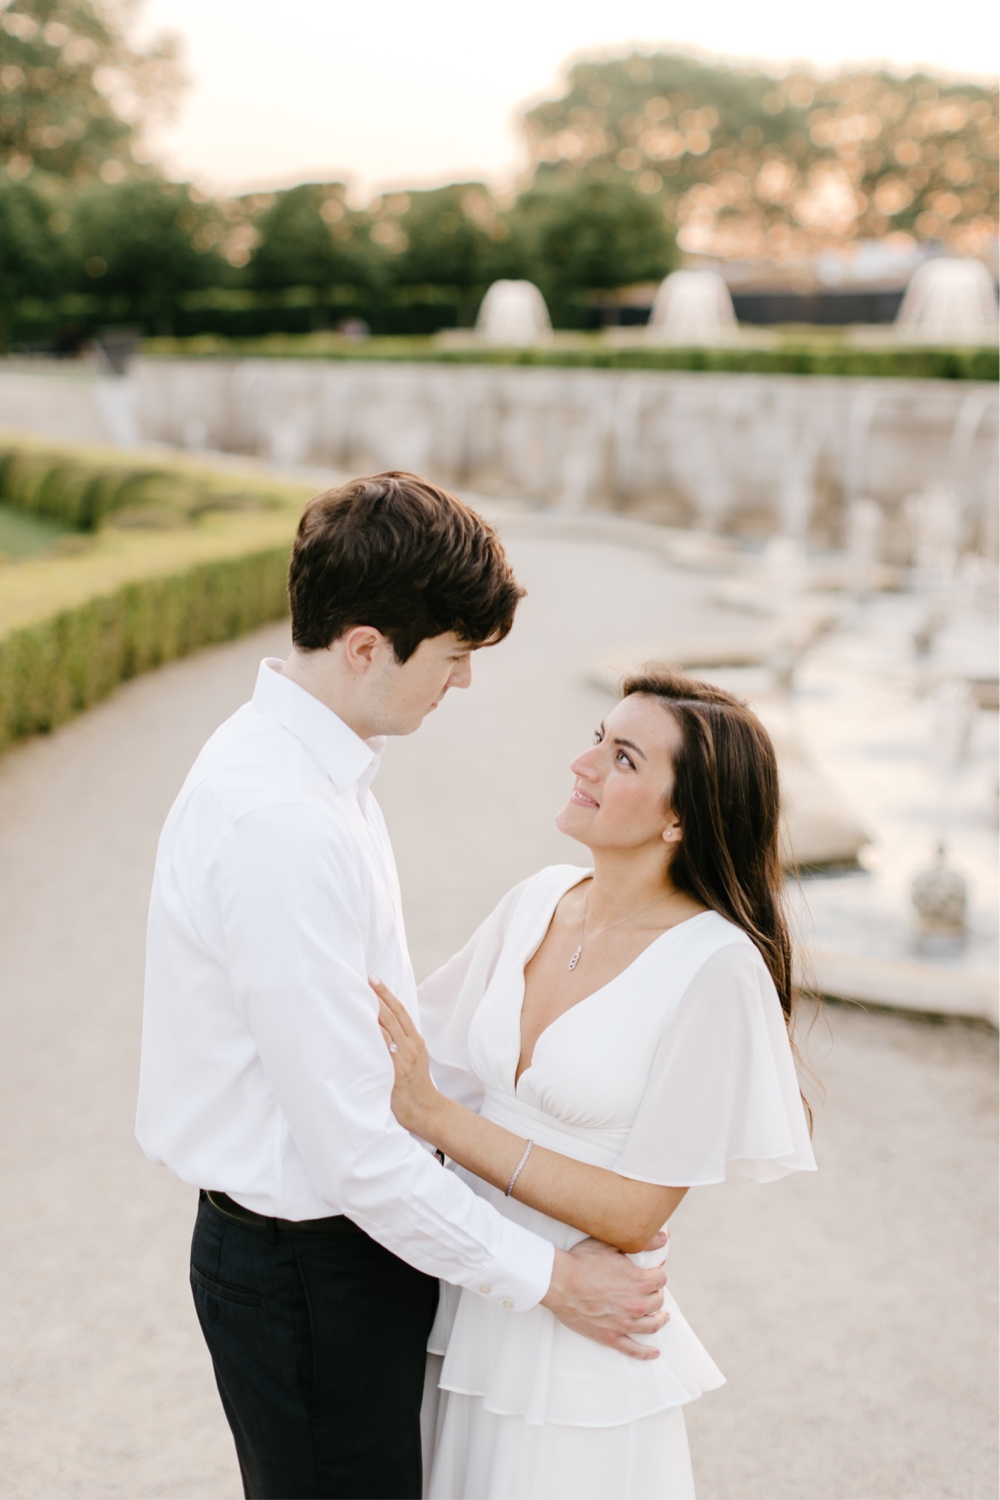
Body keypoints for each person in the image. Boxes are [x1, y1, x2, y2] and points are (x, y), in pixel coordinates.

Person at [135, 472, 669, 1500]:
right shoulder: (282, 822)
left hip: (332, 1259)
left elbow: (384, 1038)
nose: (461, 683)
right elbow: (353, 1152)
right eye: (453, 656)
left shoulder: (309, 767)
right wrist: (555, 1281)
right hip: (307, 1272)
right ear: (366, 647)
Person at [373, 670, 817, 1500]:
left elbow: (637, 1210)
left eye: (623, 758)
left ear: (681, 818)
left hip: (576, 1346)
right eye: (598, 739)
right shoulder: (536, 900)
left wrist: (438, 1119)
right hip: (462, 1296)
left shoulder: (716, 967)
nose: (583, 765)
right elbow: (410, 1046)